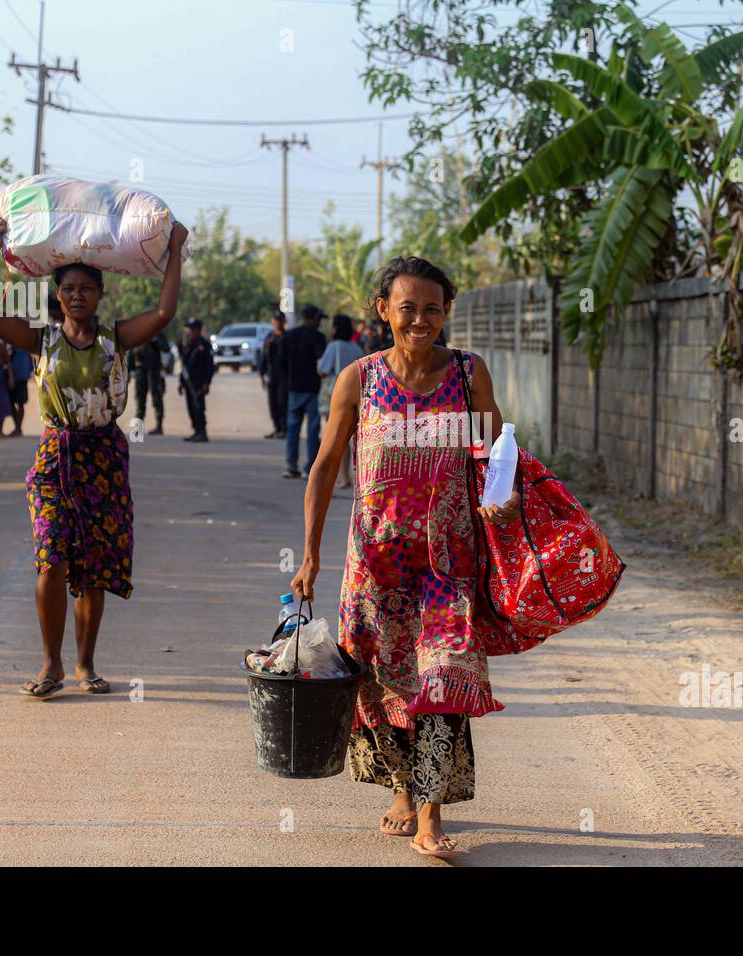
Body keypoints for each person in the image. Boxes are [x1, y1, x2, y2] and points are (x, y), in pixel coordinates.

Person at [290, 256, 522, 858]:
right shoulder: (360, 380)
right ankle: (403, 788)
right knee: (383, 685)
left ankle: (430, 814)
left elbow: (495, 454)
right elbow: (325, 464)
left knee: (443, 680)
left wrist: (503, 499)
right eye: (409, 308)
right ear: (383, 310)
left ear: (447, 313)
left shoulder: (469, 374)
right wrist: (311, 554)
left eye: (433, 309)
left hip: (448, 564)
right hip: (375, 566)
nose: (421, 320)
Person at [0, 218, 188, 699]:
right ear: (57, 295)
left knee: (92, 566)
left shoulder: (116, 339)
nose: (77, 296)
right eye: (68, 288)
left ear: (100, 294)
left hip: (104, 460)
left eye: (87, 289)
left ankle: (85, 664)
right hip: (55, 458)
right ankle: (50, 663)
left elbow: (164, 310)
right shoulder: (42, 341)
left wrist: (175, 249)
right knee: (50, 560)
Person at [317, 314, 363, 490]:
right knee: (350, 440)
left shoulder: (333, 346)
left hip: (336, 396)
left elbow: (323, 370)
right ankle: (349, 477)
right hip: (356, 396)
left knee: (335, 440)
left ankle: (341, 478)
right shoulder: (355, 348)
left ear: (335, 328)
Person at [282, 304, 326, 478]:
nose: (319, 323)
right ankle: (310, 467)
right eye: (318, 319)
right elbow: (321, 362)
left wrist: (290, 377)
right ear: (313, 318)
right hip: (313, 389)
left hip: (294, 387)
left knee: (293, 428)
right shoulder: (318, 337)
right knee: (313, 429)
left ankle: (290, 465)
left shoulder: (289, 335)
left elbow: (281, 361)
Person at [179, 318, 214, 442]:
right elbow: (184, 366)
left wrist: (207, 382)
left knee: (199, 407)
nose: (189, 331)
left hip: (199, 383)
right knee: (191, 408)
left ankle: (202, 432)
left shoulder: (204, 345)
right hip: (189, 382)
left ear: (198, 330)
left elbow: (210, 366)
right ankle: (196, 431)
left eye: (191, 329)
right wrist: (181, 383)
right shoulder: (188, 345)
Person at [256, 311, 287, 439]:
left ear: (284, 322)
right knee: (272, 403)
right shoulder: (269, 337)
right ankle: (277, 428)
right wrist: (261, 374)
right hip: (271, 375)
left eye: (280, 320)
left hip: (284, 376)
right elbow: (263, 357)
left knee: (282, 402)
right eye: (276, 321)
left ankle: (284, 429)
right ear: (272, 322)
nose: (278, 323)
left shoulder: (287, 337)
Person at [129, 331, 167, 434]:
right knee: (140, 400)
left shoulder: (157, 334)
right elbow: (131, 353)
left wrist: (155, 340)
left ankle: (159, 426)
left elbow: (166, 348)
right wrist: (128, 370)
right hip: (140, 371)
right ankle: (137, 429)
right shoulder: (137, 334)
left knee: (157, 398)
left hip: (154, 370)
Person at [8, 341, 34, 436]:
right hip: (19, 375)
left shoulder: (16, 343)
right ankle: (17, 428)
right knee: (14, 403)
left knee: (20, 403)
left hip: (20, 376)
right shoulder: (18, 343)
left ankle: (18, 429)